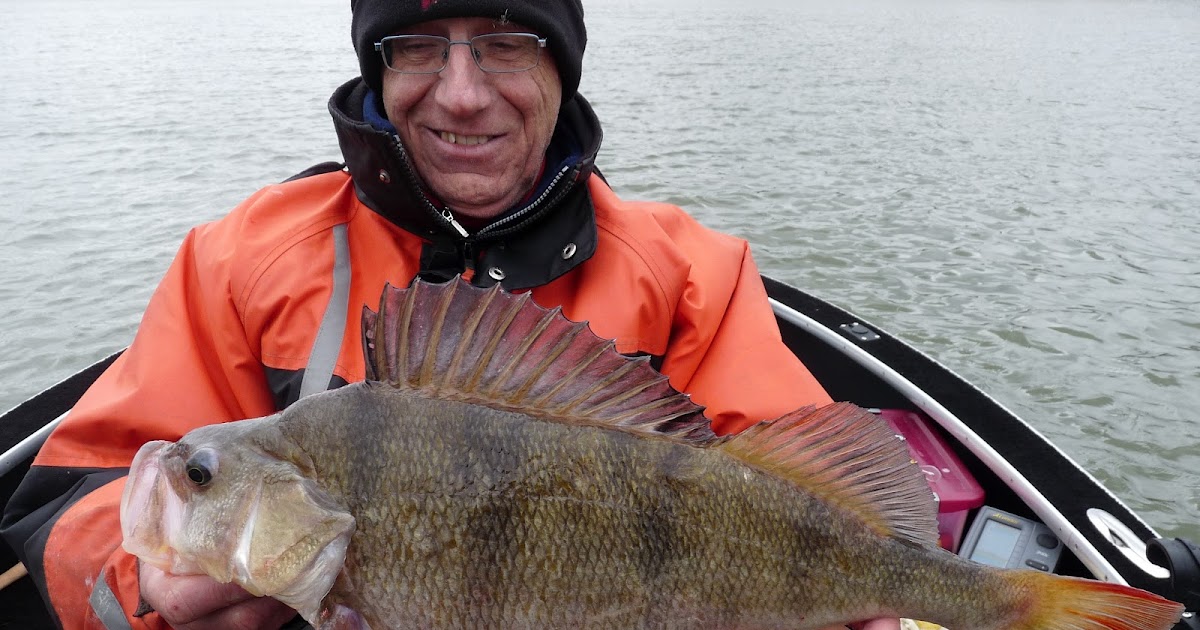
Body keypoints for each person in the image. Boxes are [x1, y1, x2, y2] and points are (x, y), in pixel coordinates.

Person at [1, 1, 899, 629]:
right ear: (379, 69)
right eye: (418, 47)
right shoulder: (238, 261)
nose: (462, 93)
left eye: (506, 43)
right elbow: (68, 503)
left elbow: (827, 513)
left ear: (560, 66)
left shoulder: (696, 276)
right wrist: (145, 587)